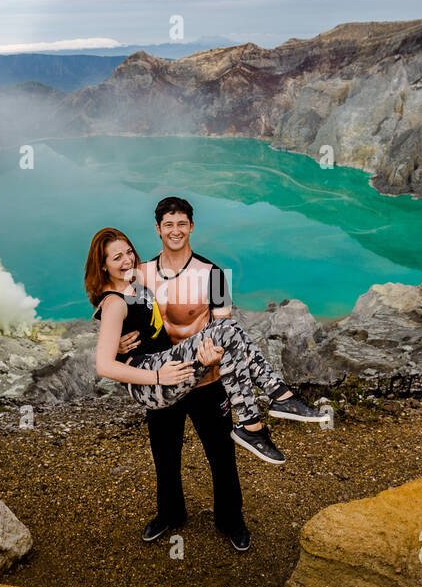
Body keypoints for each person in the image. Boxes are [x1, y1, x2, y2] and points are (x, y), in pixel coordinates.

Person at [85, 202, 324, 551]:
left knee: (221, 455)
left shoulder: (216, 275)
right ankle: (170, 514)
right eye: (168, 224)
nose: (175, 231)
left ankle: (231, 520)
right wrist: (120, 346)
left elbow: (222, 323)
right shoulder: (140, 272)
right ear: (157, 229)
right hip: (161, 378)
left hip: (206, 379)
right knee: (165, 456)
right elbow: (109, 303)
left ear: (192, 227)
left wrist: (215, 355)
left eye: (182, 223)